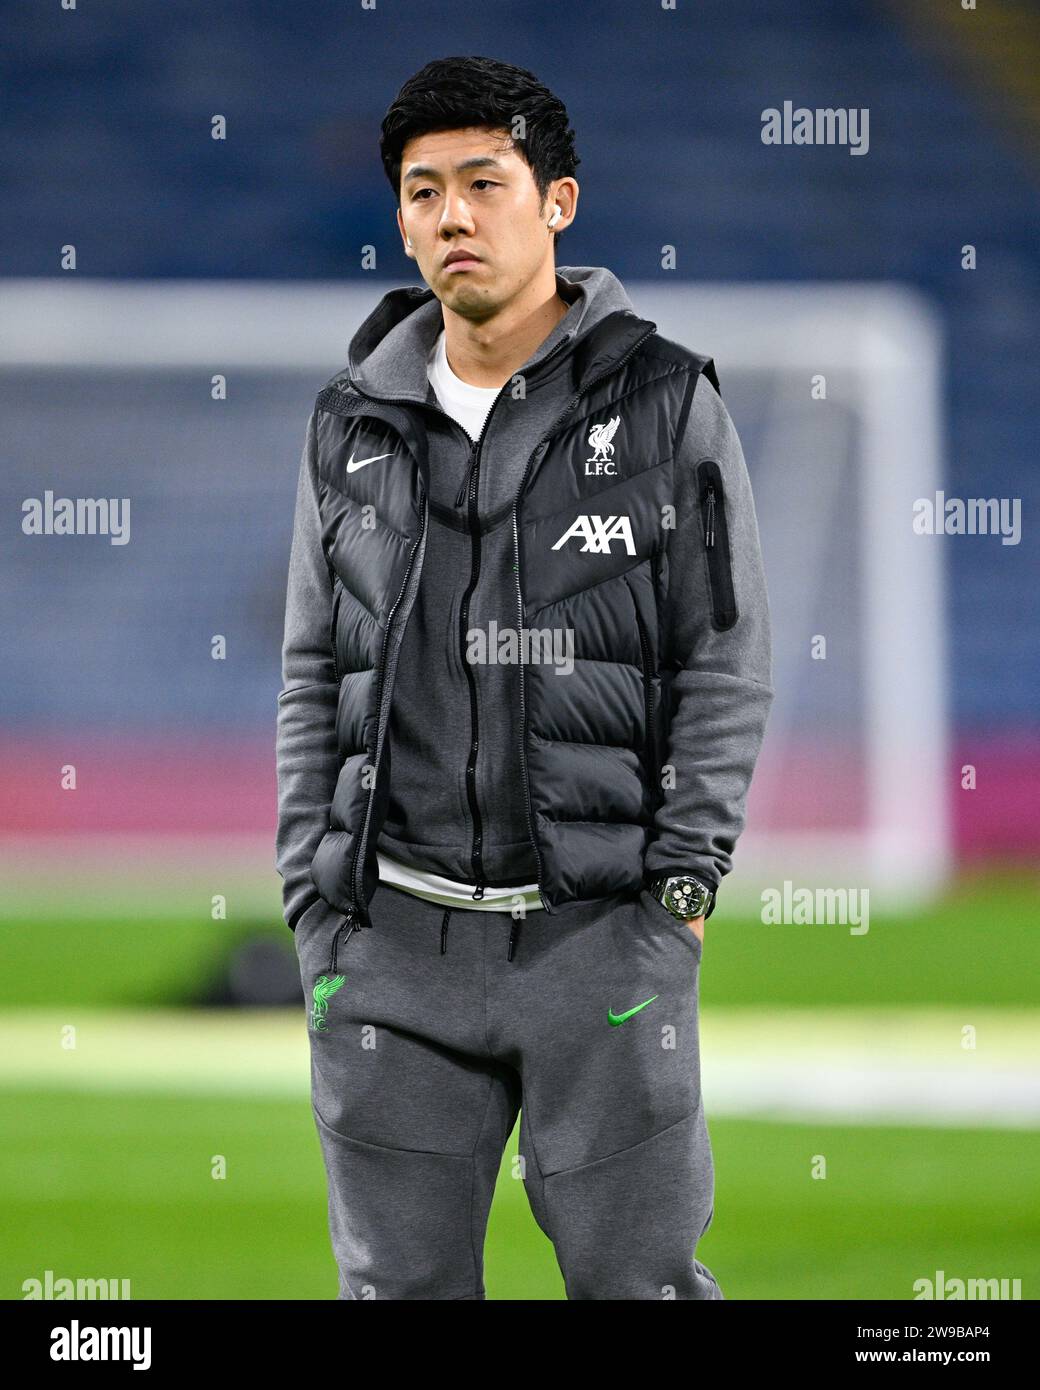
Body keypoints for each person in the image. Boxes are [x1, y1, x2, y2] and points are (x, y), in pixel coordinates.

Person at [275, 54, 774, 1300]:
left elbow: (723, 658)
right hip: (387, 941)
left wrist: (679, 888)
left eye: (482, 184)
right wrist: (313, 900)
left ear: (556, 202)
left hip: (599, 943)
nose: (449, 215)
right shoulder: (351, 420)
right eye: (421, 190)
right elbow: (307, 667)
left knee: (640, 1287)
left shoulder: (664, 404)